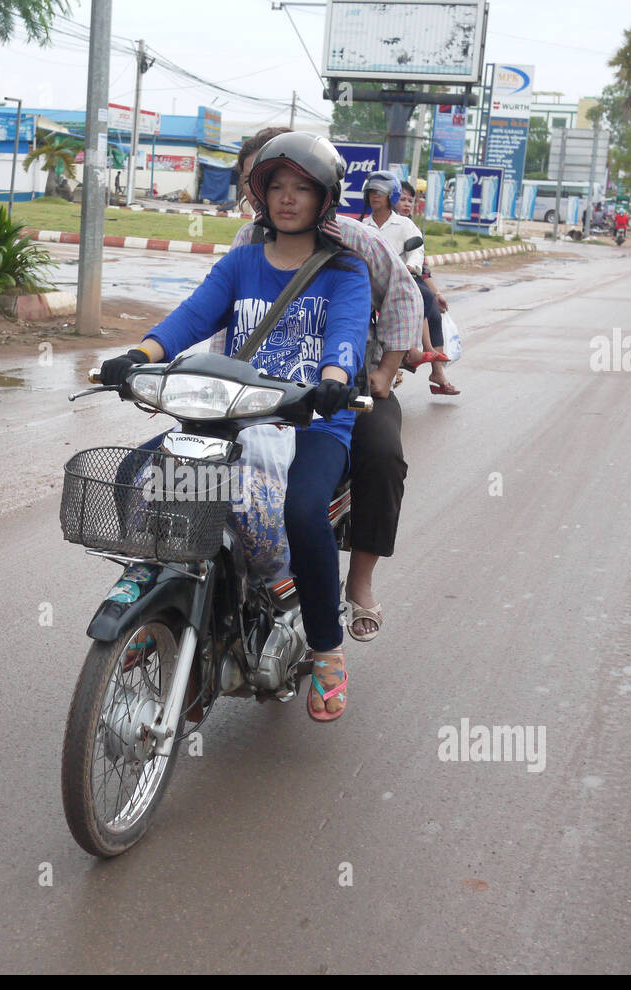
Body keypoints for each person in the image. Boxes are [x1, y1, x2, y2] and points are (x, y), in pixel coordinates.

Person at [100, 132, 372, 721]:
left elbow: (346, 335)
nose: (288, 198)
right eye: (277, 186)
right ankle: (174, 618)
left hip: (314, 423)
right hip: (235, 415)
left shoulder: (344, 271)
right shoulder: (243, 262)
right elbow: (191, 316)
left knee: (302, 512)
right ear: (260, 194)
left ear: (324, 199)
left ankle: (327, 650)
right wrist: (139, 356)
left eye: (302, 188)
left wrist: (331, 378)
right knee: (142, 476)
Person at [220, 129, 425, 645]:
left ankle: (356, 584)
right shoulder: (246, 242)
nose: (273, 194)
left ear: (323, 191)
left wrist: (382, 372)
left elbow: (404, 297)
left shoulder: (358, 243)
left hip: (348, 386)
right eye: (261, 181)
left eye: (300, 184)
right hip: (261, 389)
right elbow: (225, 318)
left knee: (379, 455)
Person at [376, 173, 459, 396]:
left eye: (409, 200)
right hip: (380, 280)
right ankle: (414, 352)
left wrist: (438, 292)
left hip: (405, 278)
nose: (406, 204)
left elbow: (422, 264)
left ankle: (436, 370)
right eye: (401, 199)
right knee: (420, 298)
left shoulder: (407, 226)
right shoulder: (371, 223)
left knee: (433, 307)